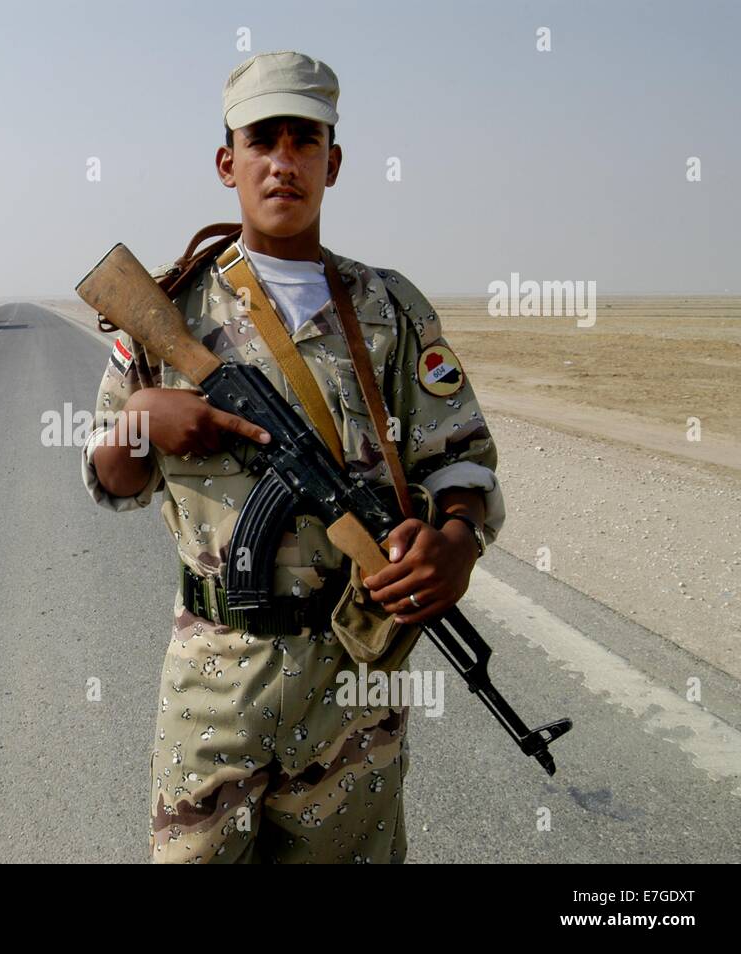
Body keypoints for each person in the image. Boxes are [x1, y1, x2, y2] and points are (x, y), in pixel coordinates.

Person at [80, 51, 504, 863]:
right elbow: (108, 482)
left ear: (333, 161)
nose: (283, 161)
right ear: (226, 161)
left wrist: (456, 542)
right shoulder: (168, 311)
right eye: (262, 139)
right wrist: (138, 418)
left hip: (357, 683)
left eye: (304, 140)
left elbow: (461, 457)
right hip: (214, 680)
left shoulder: (389, 307)